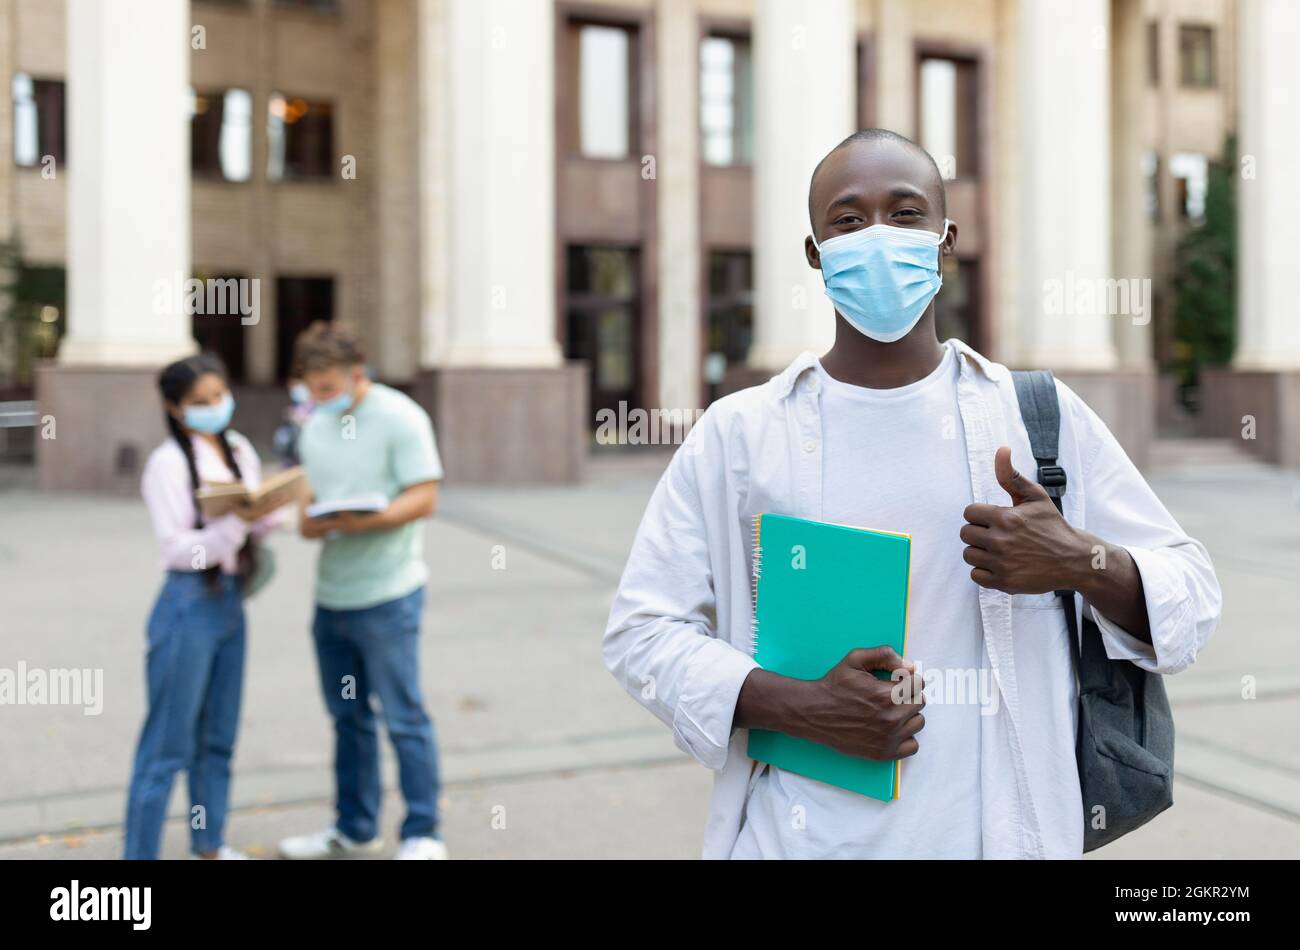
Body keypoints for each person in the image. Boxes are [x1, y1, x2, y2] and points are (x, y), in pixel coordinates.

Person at [603, 129, 1222, 859]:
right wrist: (801, 707)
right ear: (815, 253)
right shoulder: (741, 435)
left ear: (944, 239)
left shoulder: (1034, 417)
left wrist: (1078, 560)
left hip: (1006, 836)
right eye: (847, 220)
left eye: (904, 213)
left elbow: (1193, 595)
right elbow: (642, 630)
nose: (876, 238)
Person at [277, 321, 447, 860]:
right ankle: (354, 828)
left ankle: (423, 833)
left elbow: (424, 497)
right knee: (348, 719)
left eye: (327, 388)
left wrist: (365, 521)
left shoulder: (401, 417)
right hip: (333, 598)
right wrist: (319, 521)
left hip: (389, 595)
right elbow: (305, 514)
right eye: (310, 387)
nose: (317, 398)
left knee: (404, 716)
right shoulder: (313, 425)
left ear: (356, 374)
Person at [125, 353, 284, 860]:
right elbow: (177, 549)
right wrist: (235, 525)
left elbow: (248, 523)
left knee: (218, 737)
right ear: (174, 408)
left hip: (230, 602)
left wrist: (268, 513)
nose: (215, 407)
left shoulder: (236, 447)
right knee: (167, 748)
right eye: (200, 402)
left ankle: (209, 842)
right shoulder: (167, 464)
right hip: (186, 605)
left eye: (219, 396)